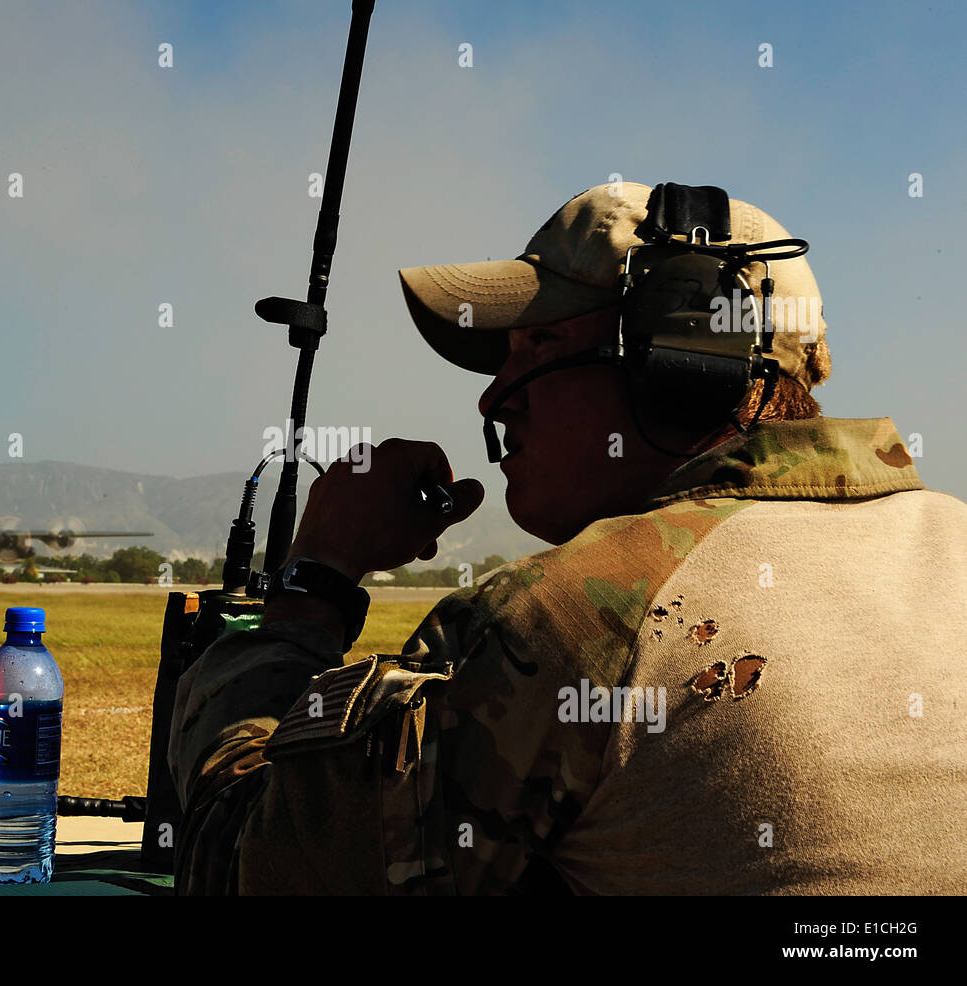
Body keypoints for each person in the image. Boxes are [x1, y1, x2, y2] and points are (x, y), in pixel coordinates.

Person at [167, 181, 967, 894]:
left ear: (680, 358)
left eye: (537, 349)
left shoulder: (574, 615)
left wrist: (320, 578)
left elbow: (242, 864)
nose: (494, 402)